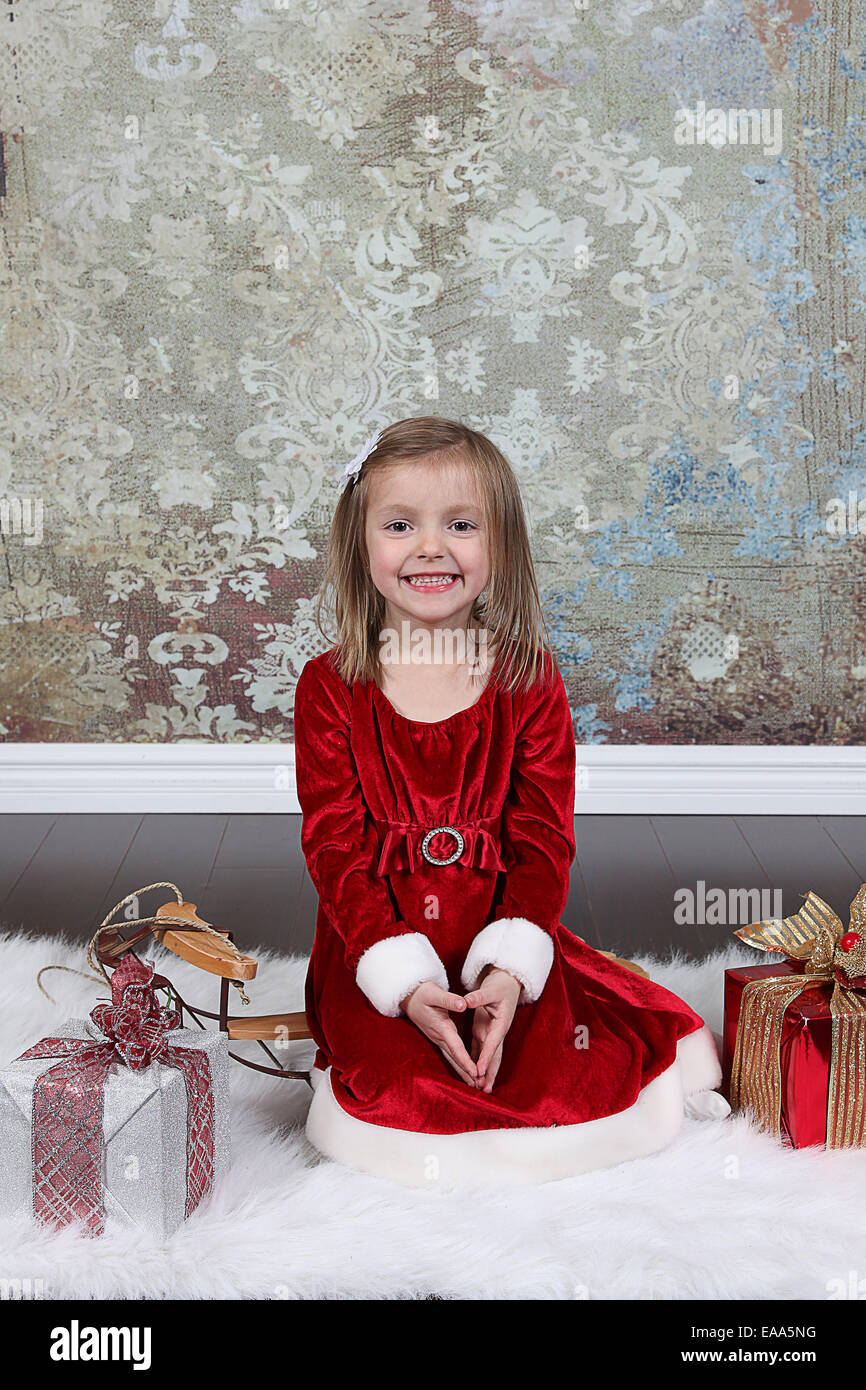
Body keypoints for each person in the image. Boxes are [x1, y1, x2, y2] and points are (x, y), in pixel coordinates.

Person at [294, 416, 729, 1188]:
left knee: (564, 1070)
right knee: (397, 1088)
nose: (431, 547)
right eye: (401, 525)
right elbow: (336, 849)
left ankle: (607, 1028)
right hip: (379, 940)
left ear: (500, 546)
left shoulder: (528, 678)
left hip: (501, 928)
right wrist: (405, 981)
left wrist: (506, 971)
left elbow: (542, 837)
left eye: (461, 525)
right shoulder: (331, 689)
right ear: (362, 544)